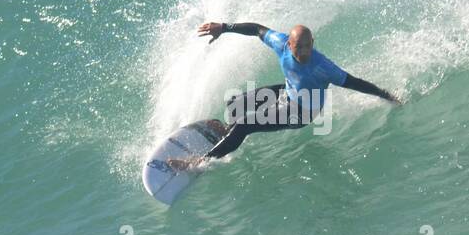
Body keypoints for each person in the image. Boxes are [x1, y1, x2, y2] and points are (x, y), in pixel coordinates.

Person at [168, 22, 399, 169]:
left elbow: (354, 83)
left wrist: (386, 95)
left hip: (302, 112)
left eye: (308, 46)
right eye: (299, 47)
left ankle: (199, 163)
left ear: (313, 44)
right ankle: (228, 132)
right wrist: (225, 28)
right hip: (289, 91)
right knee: (235, 104)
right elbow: (257, 30)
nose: (304, 52)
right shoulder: (280, 44)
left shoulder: (323, 67)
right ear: (289, 44)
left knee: (245, 125)